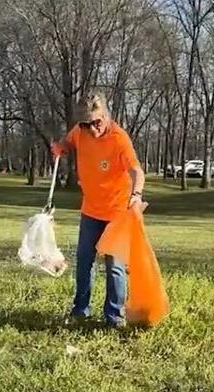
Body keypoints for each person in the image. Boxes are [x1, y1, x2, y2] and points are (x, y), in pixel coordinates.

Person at [50, 91, 145, 328]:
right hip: (91, 210)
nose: (92, 128)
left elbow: (136, 171)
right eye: (86, 123)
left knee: (115, 267)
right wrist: (60, 147)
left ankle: (114, 317)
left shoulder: (119, 139)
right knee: (84, 261)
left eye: (97, 122)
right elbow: (69, 142)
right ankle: (80, 311)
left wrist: (136, 195)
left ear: (106, 116)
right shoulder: (80, 132)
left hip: (117, 212)